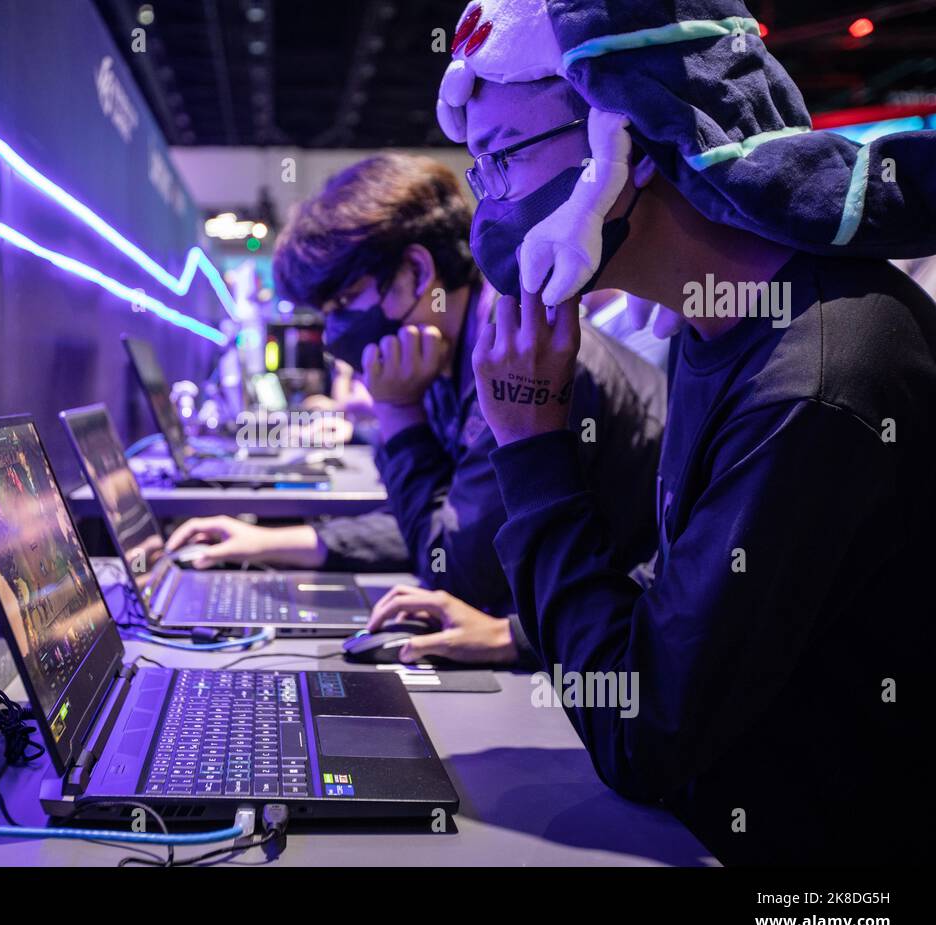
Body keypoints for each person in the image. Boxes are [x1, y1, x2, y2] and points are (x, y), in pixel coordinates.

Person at [432, 0, 936, 864]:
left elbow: (644, 735)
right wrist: (521, 632)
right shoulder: (717, 326)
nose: (495, 206)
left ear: (618, 136)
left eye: (503, 160)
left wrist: (529, 445)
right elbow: (713, 588)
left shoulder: (814, 381)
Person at [167, 154, 666, 666]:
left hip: (629, 659)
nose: (336, 332)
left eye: (344, 301)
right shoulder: (460, 343)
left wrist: (397, 411)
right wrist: (271, 541)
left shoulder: (521, 361)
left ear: (416, 270)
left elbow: (453, 565)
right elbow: (438, 519)